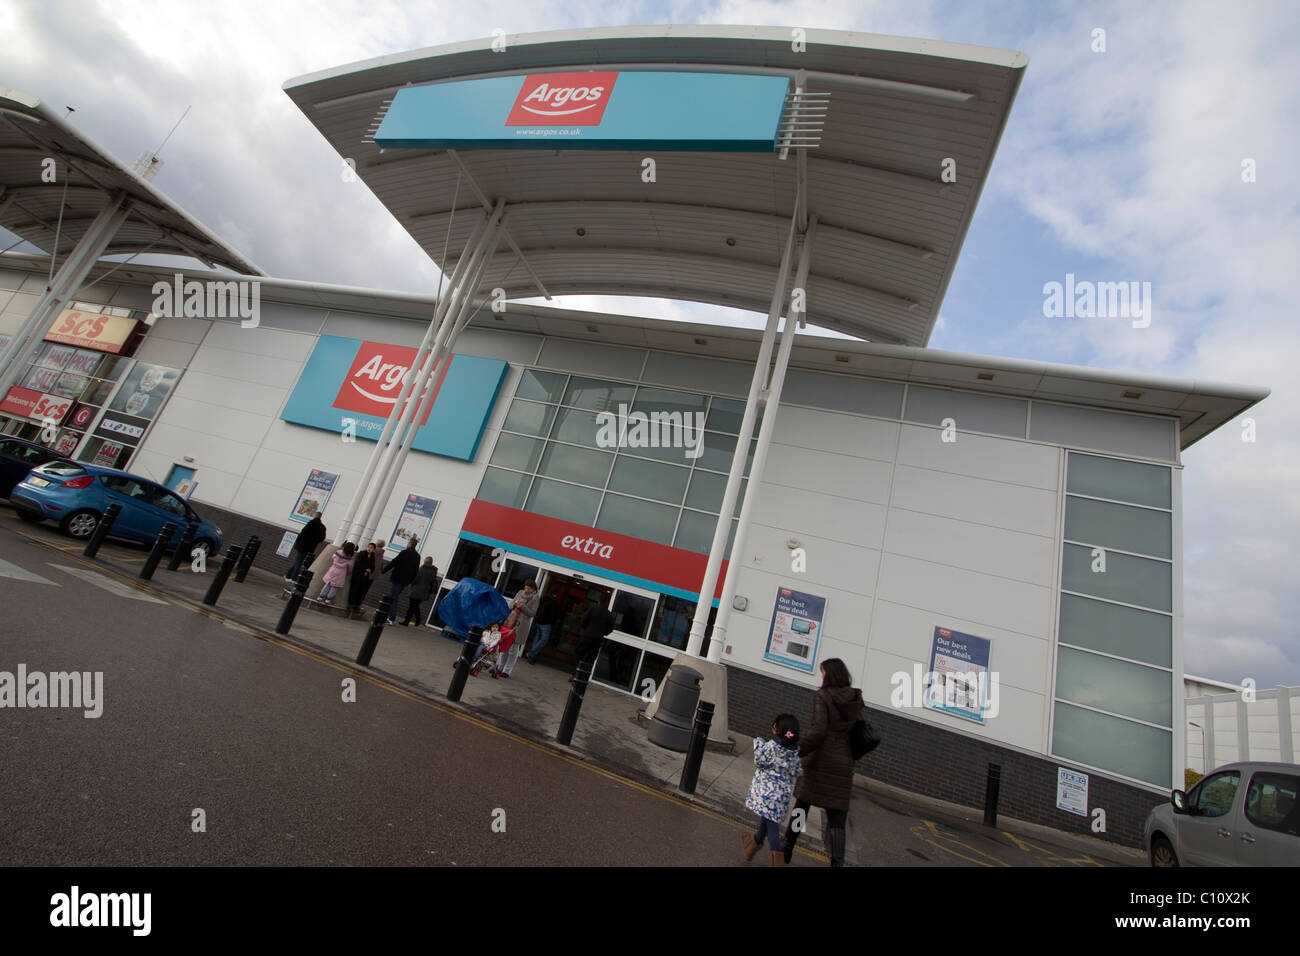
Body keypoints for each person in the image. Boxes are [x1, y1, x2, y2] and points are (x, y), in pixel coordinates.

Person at [782, 658, 864, 867]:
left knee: (802, 806)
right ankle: (837, 862)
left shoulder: (823, 696)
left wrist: (797, 750)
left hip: (820, 761)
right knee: (837, 818)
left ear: (829, 674)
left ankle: (787, 849)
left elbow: (818, 731)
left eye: (823, 672)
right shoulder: (855, 698)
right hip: (843, 761)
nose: (822, 676)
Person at [742, 714, 802, 867]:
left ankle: (777, 861)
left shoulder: (771, 747)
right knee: (767, 820)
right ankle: (752, 845)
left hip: (766, 794)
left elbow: (759, 761)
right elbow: (798, 771)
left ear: (777, 730)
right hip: (781, 797)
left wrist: (759, 744)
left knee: (772, 829)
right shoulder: (796, 753)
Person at [499, 579, 539, 678]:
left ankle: (507, 671)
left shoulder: (535, 598)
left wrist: (522, 606)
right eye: (525, 587)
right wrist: (515, 604)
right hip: (511, 621)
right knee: (505, 645)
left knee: (514, 648)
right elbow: (511, 605)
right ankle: (499, 667)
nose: (526, 590)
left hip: (521, 625)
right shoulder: (520, 592)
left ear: (533, 589)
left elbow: (532, 613)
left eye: (529, 589)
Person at [381, 536, 420, 624]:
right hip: (405, 581)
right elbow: (416, 570)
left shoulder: (405, 552)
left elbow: (394, 562)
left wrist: (384, 570)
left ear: (409, 544)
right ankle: (389, 616)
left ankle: (391, 618)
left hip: (398, 577)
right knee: (394, 596)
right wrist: (410, 581)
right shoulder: (417, 556)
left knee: (393, 597)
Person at [285, 513, 325, 583]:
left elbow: (303, 533)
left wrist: (299, 541)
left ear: (315, 516)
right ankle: (288, 576)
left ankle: (293, 578)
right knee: (299, 561)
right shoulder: (322, 527)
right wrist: (315, 542)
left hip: (302, 546)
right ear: (320, 517)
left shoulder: (310, 523)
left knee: (298, 561)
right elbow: (322, 538)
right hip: (311, 547)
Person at [401, 556, 439, 627]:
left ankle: (408, 621)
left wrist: (411, 583)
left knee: (412, 607)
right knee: (415, 606)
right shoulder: (433, 571)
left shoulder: (422, 569)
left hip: (416, 590)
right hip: (425, 592)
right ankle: (417, 620)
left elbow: (416, 579)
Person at [574, 599, 615, 665]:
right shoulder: (608, 614)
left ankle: (577, 670)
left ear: (599, 601)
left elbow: (583, 620)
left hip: (588, 635)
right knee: (591, 657)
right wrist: (603, 633)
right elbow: (610, 628)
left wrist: (586, 629)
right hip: (598, 639)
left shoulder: (593, 609)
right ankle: (585, 672)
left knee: (580, 653)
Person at [526, 591, 558, 663]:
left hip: (538, 621)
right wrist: (553, 621)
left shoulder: (542, 598)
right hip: (546, 623)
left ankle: (532, 655)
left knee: (537, 638)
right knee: (544, 640)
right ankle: (531, 654)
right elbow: (553, 614)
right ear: (555, 595)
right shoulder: (553, 601)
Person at [346, 542, 377, 615]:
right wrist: (365, 569)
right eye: (368, 547)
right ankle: (351, 604)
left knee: (361, 591)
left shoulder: (373, 556)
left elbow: (373, 567)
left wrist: (370, 571)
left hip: (365, 577)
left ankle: (357, 605)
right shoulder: (362, 553)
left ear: (374, 549)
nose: (369, 549)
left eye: (371, 548)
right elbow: (357, 563)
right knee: (354, 589)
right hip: (358, 575)